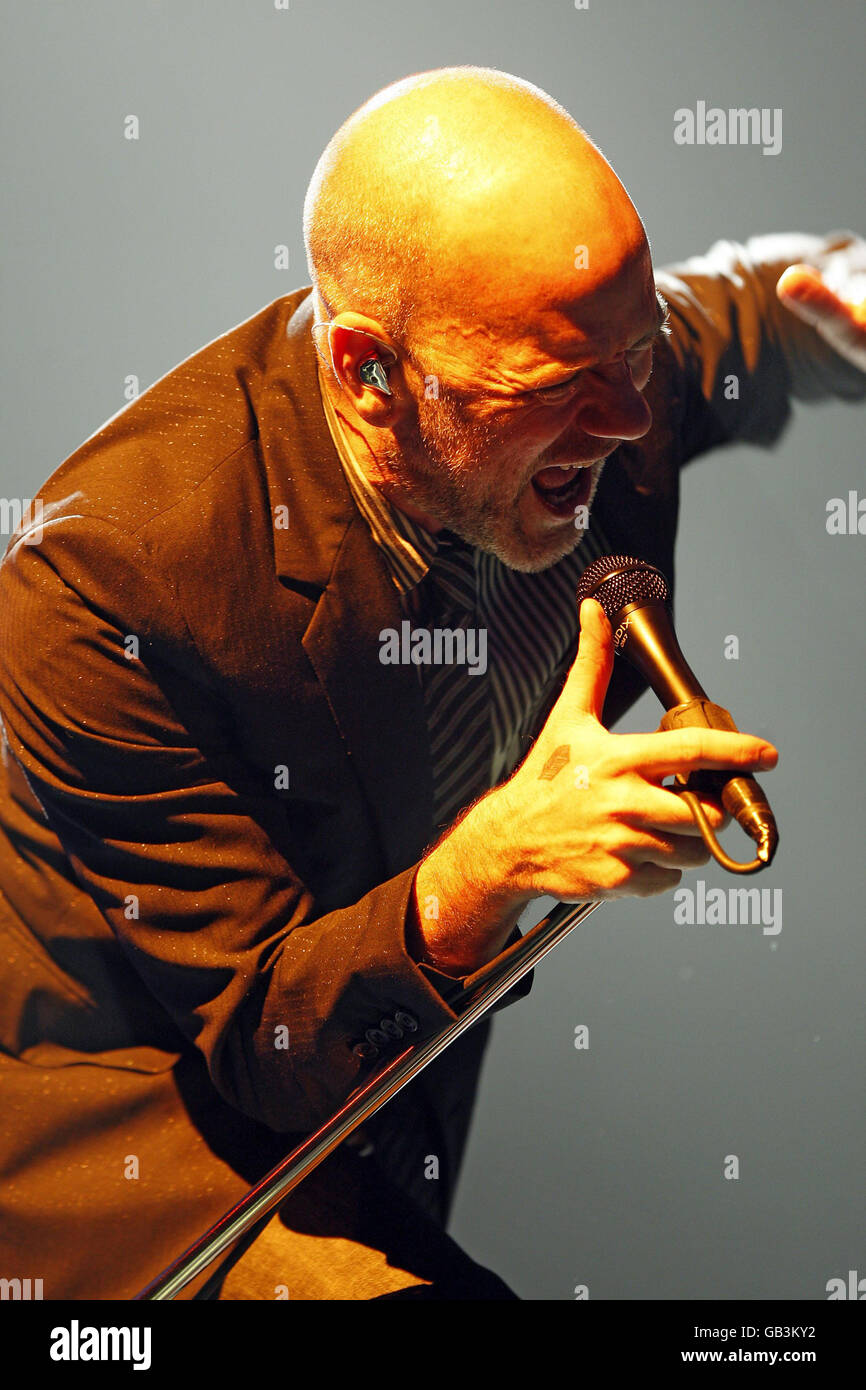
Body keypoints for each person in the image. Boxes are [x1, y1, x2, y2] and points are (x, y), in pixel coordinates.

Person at [0, 66, 863, 1302]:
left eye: (639, 351)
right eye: (565, 385)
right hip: (152, 1141)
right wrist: (489, 863)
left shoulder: (588, 362)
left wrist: (838, 293)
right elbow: (257, 1036)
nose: (627, 416)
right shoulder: (110, 577)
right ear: (366, 373)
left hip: (381, 1080)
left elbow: (763, 312)